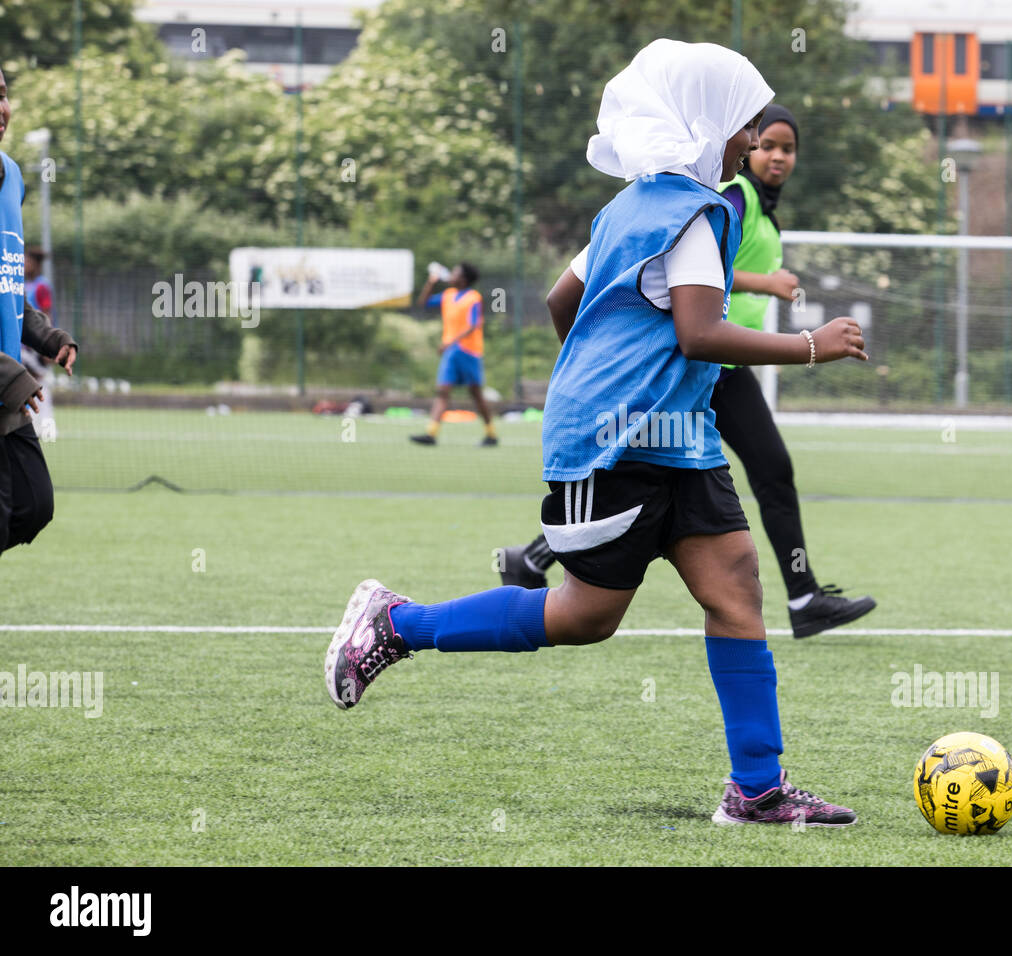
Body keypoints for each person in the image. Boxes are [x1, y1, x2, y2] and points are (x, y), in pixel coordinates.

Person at [326, 40, 868, 825]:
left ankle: (756, 789)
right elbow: (698, 333)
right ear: (703, 122)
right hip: (616, 446)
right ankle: (397, 624)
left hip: (678, 440)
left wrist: (601, 371)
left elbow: (559, 301)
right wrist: (810, 346)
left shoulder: (631, 205)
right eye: (744, 126)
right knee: (586, 617)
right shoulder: (693, 213)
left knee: (736, 589)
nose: (750, 142)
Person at [497, 105, 876, 638]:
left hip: (720, 362)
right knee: (760, 471)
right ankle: (803, 595)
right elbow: (688, 283)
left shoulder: (754, 209)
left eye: (786, 148)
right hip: (707, 362)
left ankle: (801, 594)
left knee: (707, 491)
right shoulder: (723, 201)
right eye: (763, 141)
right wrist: (793, 322)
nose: (771, 154)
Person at [0, 68, 78, 556]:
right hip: (7, 385)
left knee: (33, 504)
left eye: (2, 96)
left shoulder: (13, 177)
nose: (0, 109)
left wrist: (48, 337)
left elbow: (6, 286)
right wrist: (12, 376)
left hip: (5, 400)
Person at [409, 260, 497, 447]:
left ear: (463, 279)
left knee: (476, 394)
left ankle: (491, 434)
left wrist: (450, 342)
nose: (451, 275)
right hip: (451, 351)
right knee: (443, 391)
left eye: (455, 273)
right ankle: (431, 434)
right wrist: (431, 282)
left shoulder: (473, 297)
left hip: (469, 351)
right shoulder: (448, 295)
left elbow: (473, 325)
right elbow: (422, 303)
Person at [20, 246, 56, 436]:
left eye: (27, 262)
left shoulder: (42, 285)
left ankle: (48, 428)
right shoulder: (23, 284)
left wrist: (46, 345)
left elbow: (46, 314)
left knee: (39, 382)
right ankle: (33, 425)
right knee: (26, 382)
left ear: (35, 264)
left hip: (35, 345)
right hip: (23, 344)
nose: (24, 265)